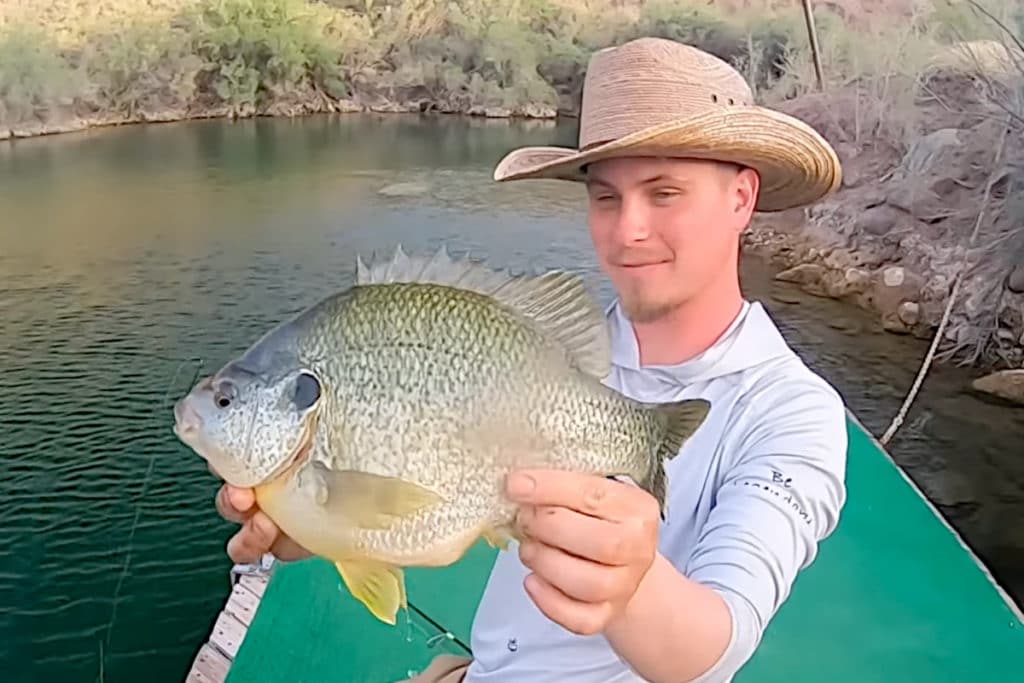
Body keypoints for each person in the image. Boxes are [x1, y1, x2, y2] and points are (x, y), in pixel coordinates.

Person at [215, 37, 849, 683]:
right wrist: (324, 520)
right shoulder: (544, 352)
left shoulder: (792, 414)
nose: (627, 230)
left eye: (664, 193)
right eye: (605, 197)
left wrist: (632, 586)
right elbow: (436, 480)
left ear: (741, 198)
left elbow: (718, 641)